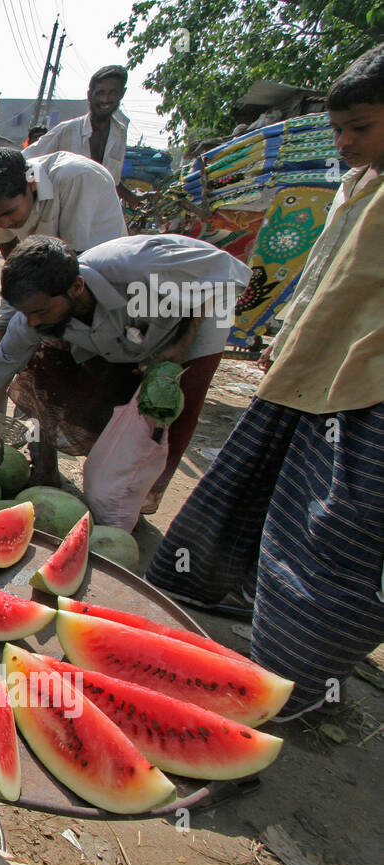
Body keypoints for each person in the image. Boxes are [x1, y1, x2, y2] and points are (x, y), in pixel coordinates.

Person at [145, 42, 384, 722]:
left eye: (359, 127)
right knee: (258, 494)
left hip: (366, 392)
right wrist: (284, 334)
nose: (342, 141)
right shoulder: (357, 185)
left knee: (331, 533)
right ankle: (225, 598)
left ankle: (296, 686)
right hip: (307, 372)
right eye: (338, 128)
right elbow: (326, 279)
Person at [0, 234, 250, 507]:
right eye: (27, 314)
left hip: (197, 310)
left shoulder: (143, 266)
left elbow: (228, 275)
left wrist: (182, 342)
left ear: (77, 287)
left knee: (173, 406)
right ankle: (49, 470)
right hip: (129, 330)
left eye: (41, 312)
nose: (32, 322)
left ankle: (144, 496)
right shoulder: (35, 316)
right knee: (58, 371)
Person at [0, 146, 128, 416]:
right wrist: (21, 299)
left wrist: (38, 317)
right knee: (7, 326)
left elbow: (74, 266)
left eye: (8, 214)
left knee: (57, 353)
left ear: (31, 183)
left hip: (88, 274)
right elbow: (9, 250)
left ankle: (39, 425)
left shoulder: (78, 179)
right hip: (34, 267)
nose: (2, 223)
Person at [24, 65, 141, 205]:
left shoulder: (119, 133)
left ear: (122, 93)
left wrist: (133, 198)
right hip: (61, 215)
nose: (105, 99)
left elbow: (112, 181)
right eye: (100, 93)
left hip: (96, 215)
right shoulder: (67, 130)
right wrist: (43, 197)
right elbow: (26, 160)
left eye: (112, 93)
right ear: (89, 94)